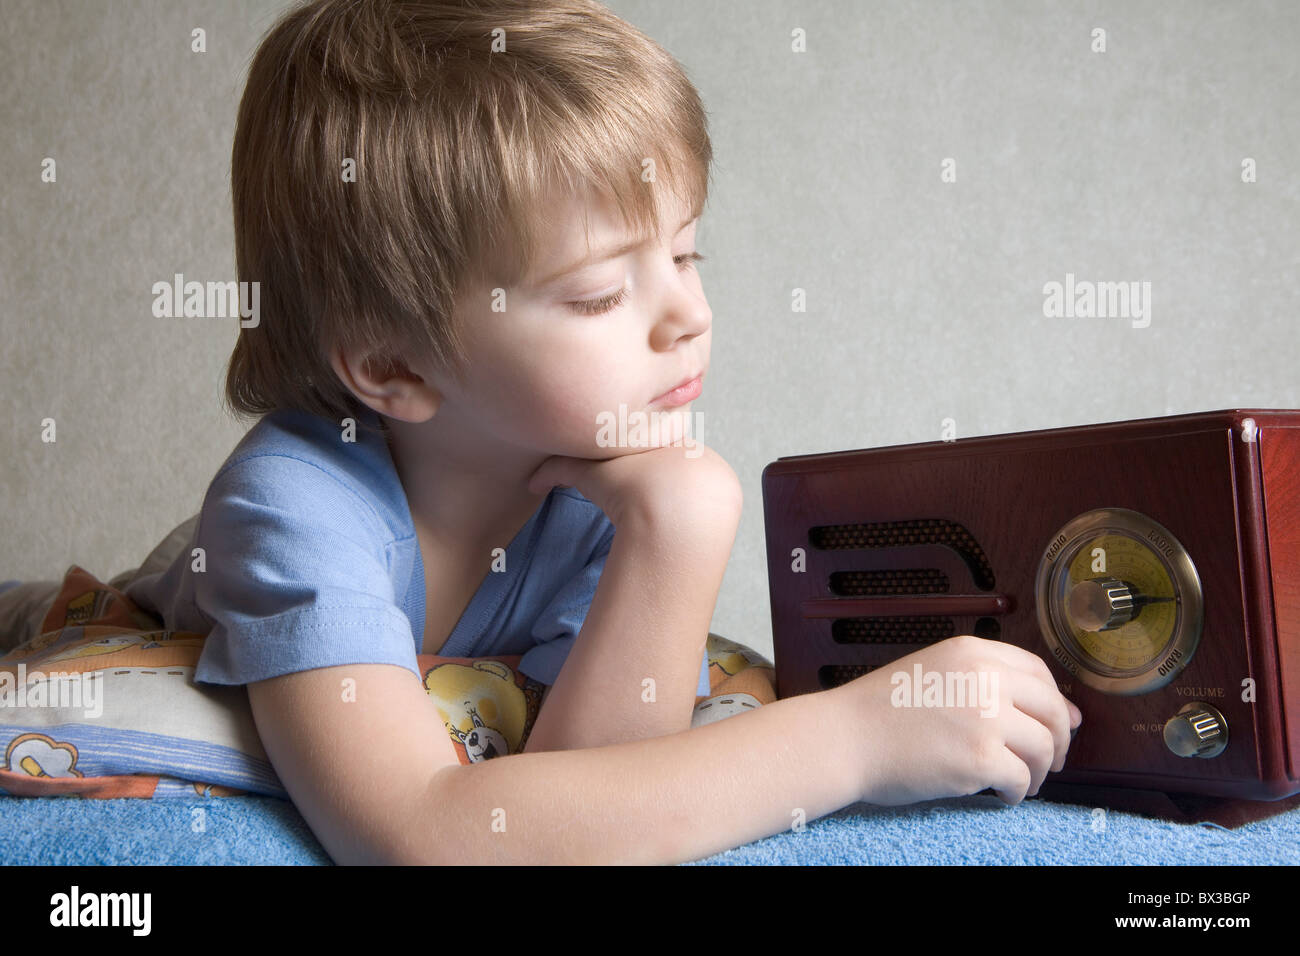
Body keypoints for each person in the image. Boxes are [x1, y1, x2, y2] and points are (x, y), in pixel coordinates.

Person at [125, 0, 1081, 865]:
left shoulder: (602, 495)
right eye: (600, 293)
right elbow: (425, 837)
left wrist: (679, 526)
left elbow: (589, 801)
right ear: (393, 367)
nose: (689, 317)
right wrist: (858, 740)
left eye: (684, 253)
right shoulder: (294, 502)